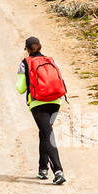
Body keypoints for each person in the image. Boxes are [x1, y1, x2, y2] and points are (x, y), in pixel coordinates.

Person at [17, 36, 66, 185]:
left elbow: (20, 88)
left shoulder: (25, 63)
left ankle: (58, 171)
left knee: (47, 133)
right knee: (44, 132)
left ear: (27, 49)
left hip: (38, 103)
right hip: (56, 101)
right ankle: (42, 168)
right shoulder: (51, 60)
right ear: (40, 46)